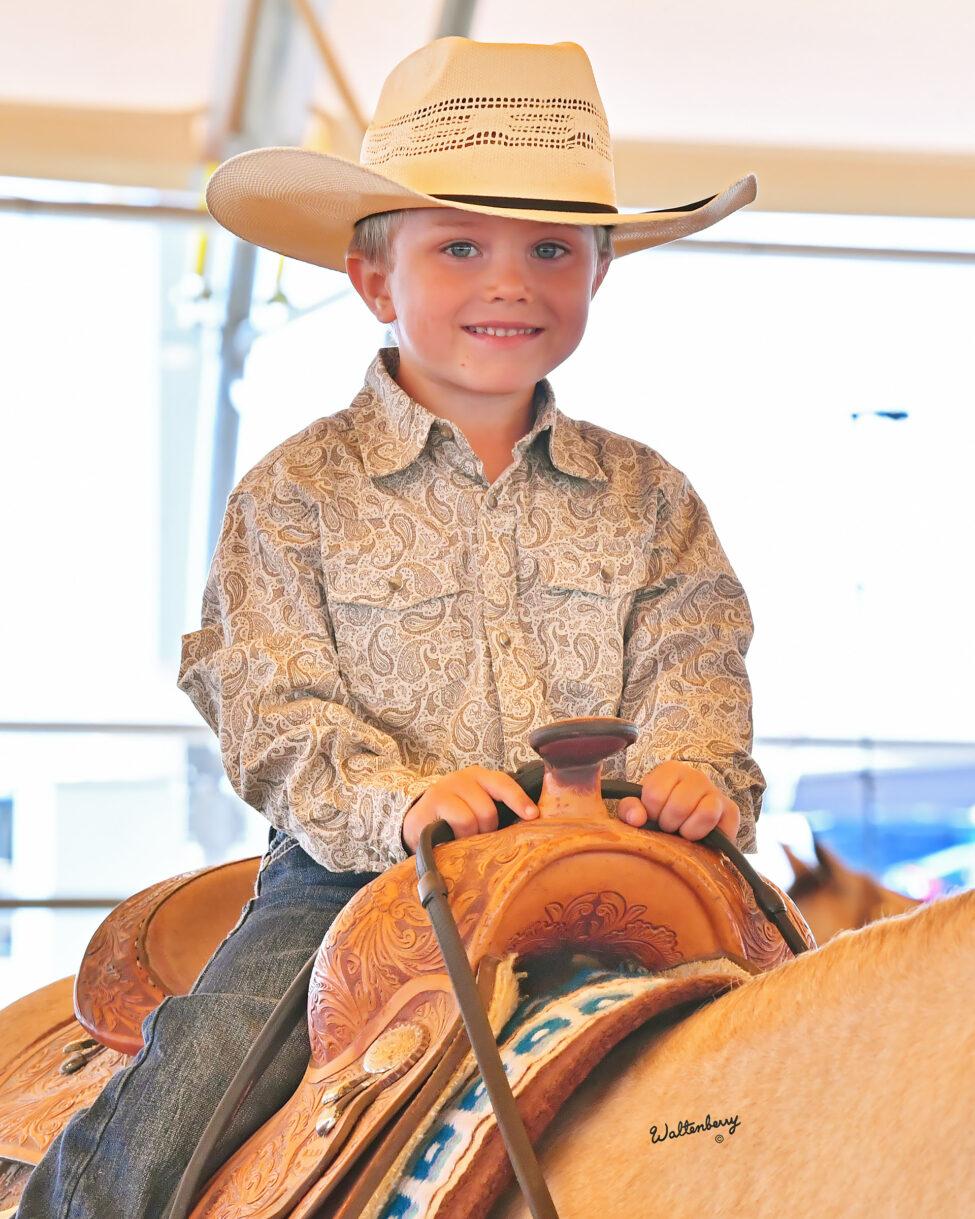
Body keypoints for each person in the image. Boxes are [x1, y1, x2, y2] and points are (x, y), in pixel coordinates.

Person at [14, 35, 766, 1217]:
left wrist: (695, 768)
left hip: (619, 846)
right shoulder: (298, 490)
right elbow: (265, 698)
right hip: (360, 864)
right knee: (209, 1069)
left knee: (815, 1026)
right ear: (375, 279)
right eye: (461, 245)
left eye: (552, 250)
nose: (509, 281)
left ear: (600, 272)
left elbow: (695, 650)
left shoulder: (651, 494)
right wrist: (400, 798)